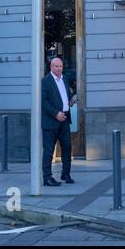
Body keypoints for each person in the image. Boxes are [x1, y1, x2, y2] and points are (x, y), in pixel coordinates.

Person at [40, 55, 77, 186]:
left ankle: (65, 173)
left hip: (65, 120)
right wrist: (56, 113)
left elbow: (66, 95)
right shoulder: (46, 81)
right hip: (51, 121)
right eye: (56, 66)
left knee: (67, 147)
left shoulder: (64, 79)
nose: (59, 68)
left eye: (61, 66)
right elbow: (43, 102)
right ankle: (47, 177)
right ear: (51, 67)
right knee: (49, 151)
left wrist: (71, 100)